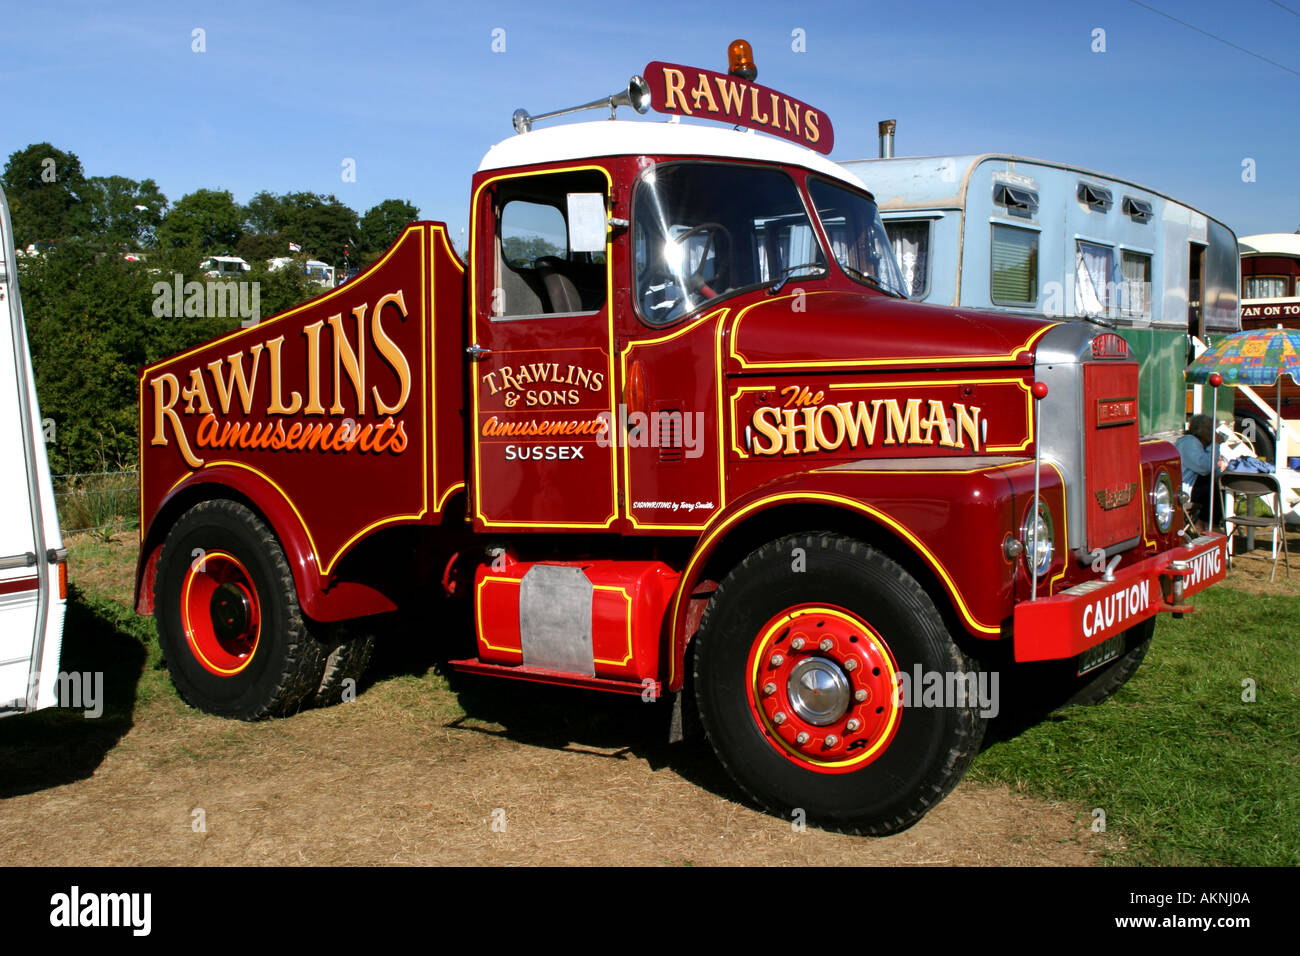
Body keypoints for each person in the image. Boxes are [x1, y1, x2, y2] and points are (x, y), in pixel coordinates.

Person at [1175, 414, 1226, 531]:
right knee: (1213, 487)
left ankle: (1209, 523)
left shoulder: (1201, 444)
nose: (1215, 433)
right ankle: (1207, 525)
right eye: (1212, 430)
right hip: (1183, 490)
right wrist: (1215, 444)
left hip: (1194, 487)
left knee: (1218, 485)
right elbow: (1205, 467)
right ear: (1204, 430)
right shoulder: (1189, 443)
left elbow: (1214, 469)